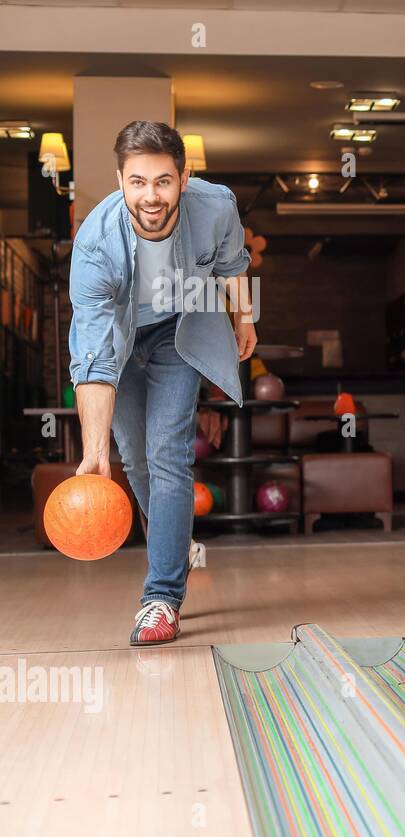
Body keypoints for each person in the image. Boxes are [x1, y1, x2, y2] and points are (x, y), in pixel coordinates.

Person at [69, 120, 257, 644]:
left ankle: (162, 597)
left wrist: (245, 317)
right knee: (132, 458)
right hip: (122, 342)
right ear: (120, 180)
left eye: (162, 181)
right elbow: (94, 354)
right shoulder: (95, 245)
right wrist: (92, 453)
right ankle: (173, 551)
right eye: (137, 182)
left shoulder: (216, 205)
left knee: (168, 452)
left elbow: (233, 264)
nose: (150, 196)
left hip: (182, 330)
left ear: (183, 177)